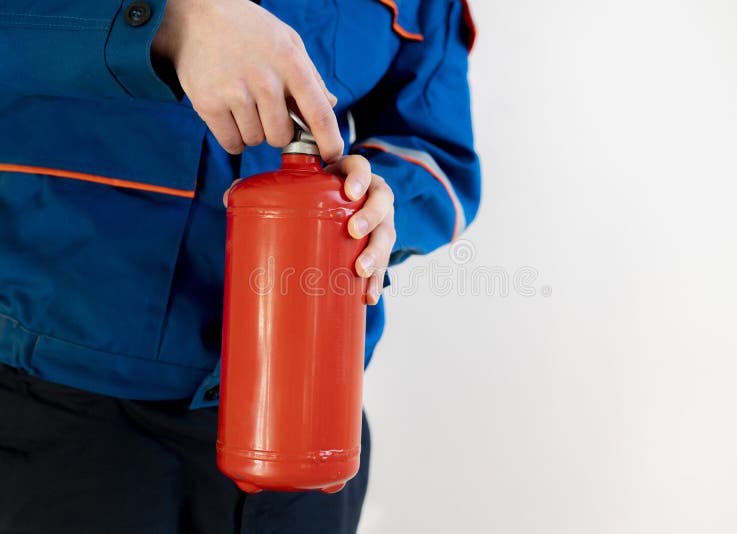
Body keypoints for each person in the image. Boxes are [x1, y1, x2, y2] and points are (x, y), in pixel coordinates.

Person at [0, 0, 480, 531]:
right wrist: (166, 22)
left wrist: (381, 201)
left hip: (309, 421)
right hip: (68, 408)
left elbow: (437, 149)